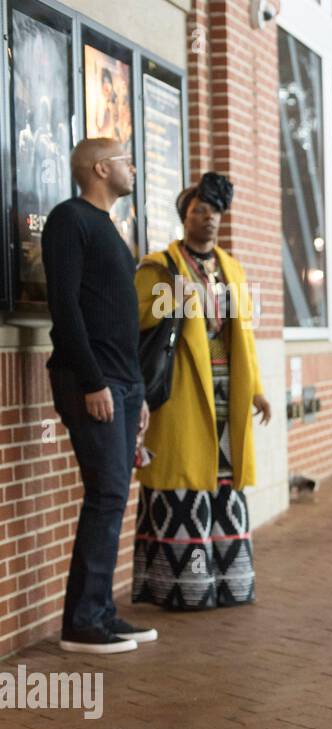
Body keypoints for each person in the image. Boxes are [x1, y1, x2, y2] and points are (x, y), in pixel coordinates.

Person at [132, 173, 271, 610]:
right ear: (184, 216)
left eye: (214, 213)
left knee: (225, 482)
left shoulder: (232, 269)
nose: (207, 220)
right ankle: (183, 590)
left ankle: (230, 583)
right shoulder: (160, 267)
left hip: (229, 394)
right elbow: (137, 327)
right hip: (183, 396)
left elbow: (243, 337)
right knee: (184, 485)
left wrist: (258, 391)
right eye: (198, 212)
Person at [44, 138, 155, 653]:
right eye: (126, 160)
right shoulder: (70, 220)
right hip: (91, 381)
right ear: (101, 168)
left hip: (122, 383)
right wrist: (93, 382)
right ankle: (82, 622)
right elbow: (65, 309)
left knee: (113, 498)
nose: (133, 168)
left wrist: (140, 393)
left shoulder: (110, 226)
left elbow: (116, 316)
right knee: (106, 495)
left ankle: (102, 612)